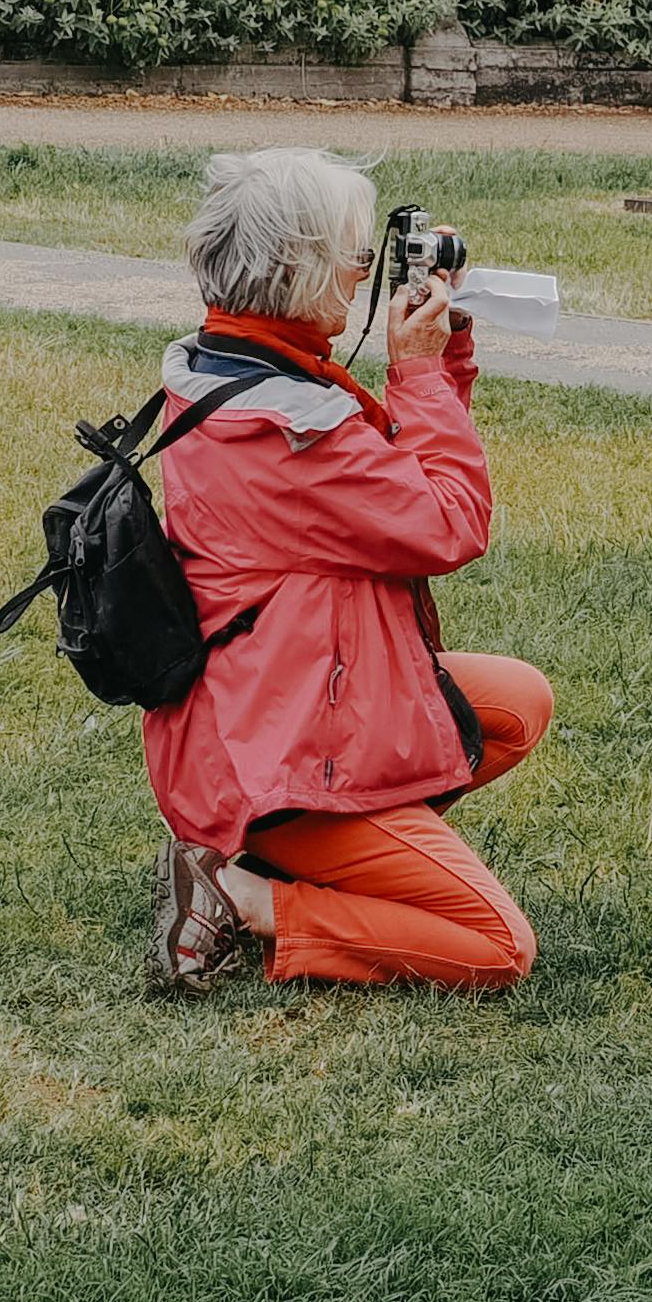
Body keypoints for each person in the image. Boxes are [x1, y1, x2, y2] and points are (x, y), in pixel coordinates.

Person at [141, 147, 550, 996]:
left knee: (514, 705)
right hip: (278, 762)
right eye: (358, 257)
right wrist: (419, 370)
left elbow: (397, 480)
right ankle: (249, 895)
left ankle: (292, 856)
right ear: (300, 268)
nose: (368, 274)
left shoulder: (236, 370)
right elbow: (446, 523)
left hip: (257, 714)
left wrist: (445, 354)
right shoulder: (290, 428)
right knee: (495, 947)